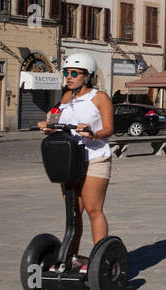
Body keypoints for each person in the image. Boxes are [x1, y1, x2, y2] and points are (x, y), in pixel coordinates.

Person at [38, 52, 114, 273]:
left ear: (87, 76)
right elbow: (55, 121)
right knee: (73, 211)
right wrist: (48, 126)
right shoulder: (65, 99)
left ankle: (100, 259)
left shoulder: (100, 97)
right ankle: (70, 258)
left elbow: (109, 128)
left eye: (74, 73)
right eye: (66, 73)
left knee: (93, 208)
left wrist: (94, 133)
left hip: (95, 158)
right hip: (70, 160)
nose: (68, 77)